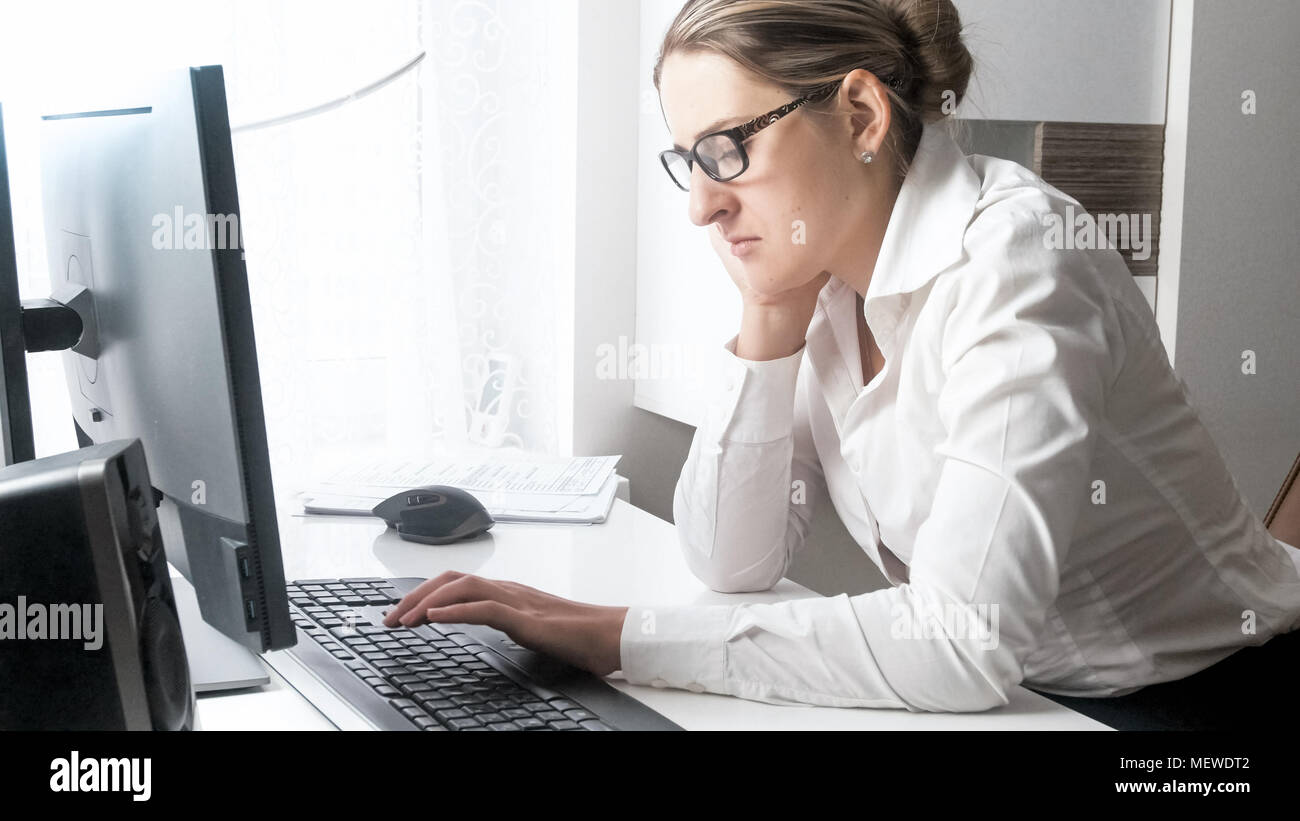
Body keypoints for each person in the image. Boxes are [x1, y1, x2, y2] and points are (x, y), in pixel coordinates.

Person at [385, 0, 1300, 728]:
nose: (702, 205)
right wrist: (768, 315)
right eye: (687, 161)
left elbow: (957, 641)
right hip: (1029, 698)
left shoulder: (1021, 261)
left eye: (727, 150)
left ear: (860, 112)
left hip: (1209, 706)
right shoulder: (825, 275)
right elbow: (731, 559)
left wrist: (616, 633)